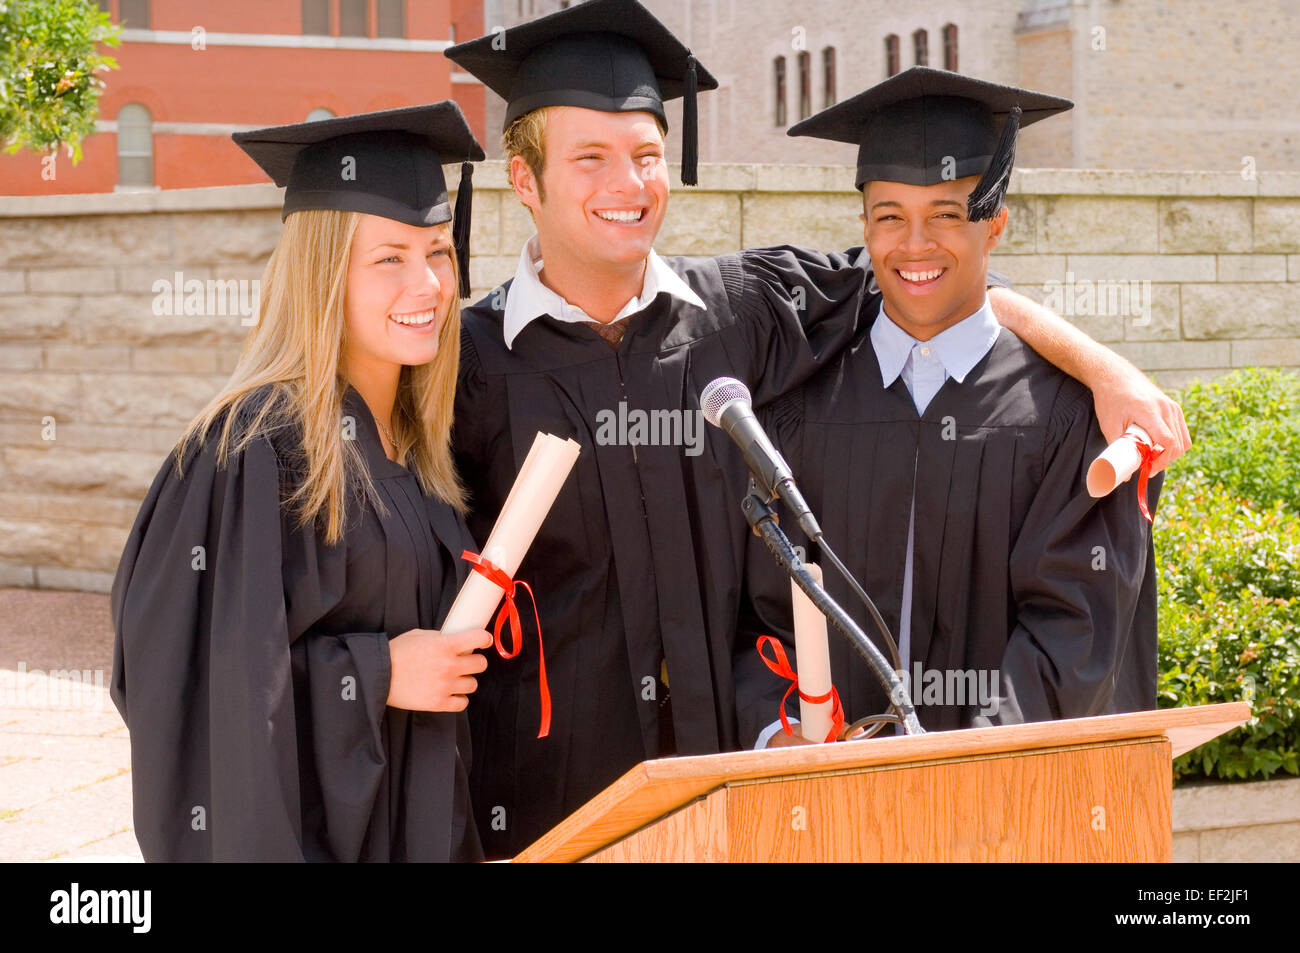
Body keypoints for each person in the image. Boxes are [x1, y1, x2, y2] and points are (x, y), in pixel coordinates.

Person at [445, 0, 1188, 857]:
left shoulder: (740, 315)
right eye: (590, 158)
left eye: (647, 154)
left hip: (737, 810)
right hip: (546, 813)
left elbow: (926, 282)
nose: (628, 183)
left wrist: (1102, 366)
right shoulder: (459, 369)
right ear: (523, 179)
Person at [110, 103, 492, 861]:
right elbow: (196, 694)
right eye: (389, 258)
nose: (428, 283)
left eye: (440, 252)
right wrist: (377, 672)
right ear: (324, 273)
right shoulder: (251, 450)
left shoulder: (418, 446)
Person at [744, 68, 1162, 739]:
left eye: (946, 214)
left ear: (995, 226)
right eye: (890, 217)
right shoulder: (796, 407)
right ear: (864, 226)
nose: (915, 245)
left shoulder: (1071, 417)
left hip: (1007, 808)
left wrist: (963, 775)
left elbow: (1074, 630)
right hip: (831, 809)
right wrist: (780, 729)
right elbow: (759, 612)